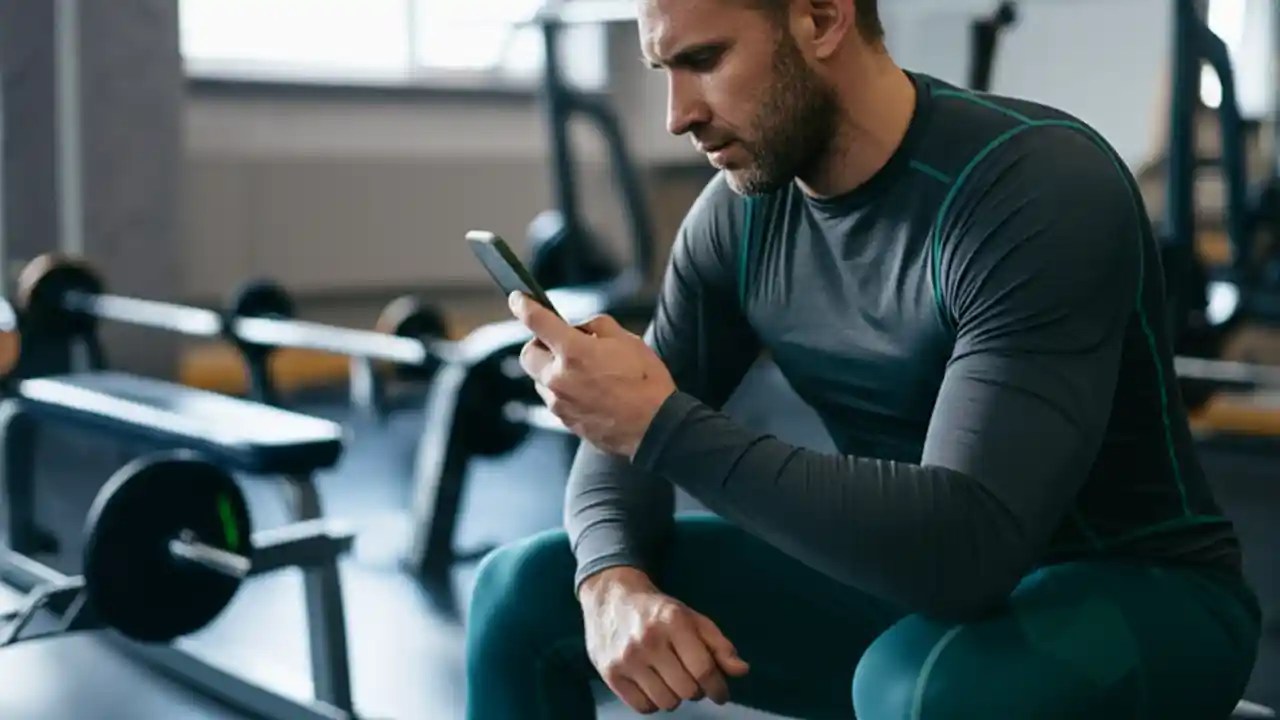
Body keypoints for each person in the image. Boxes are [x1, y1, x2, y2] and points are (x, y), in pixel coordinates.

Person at [465, 0, 1262, 717]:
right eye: (662, 69)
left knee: (919, 685)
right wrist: (611, 581)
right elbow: (620, 441)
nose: (678, 115)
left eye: (704, 61)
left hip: (1140, 598)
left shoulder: (1036, 186)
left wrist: (662, 426)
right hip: (903, 585)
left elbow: (968, 549)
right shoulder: (740, 217)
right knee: (523, 594)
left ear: (820, 19)